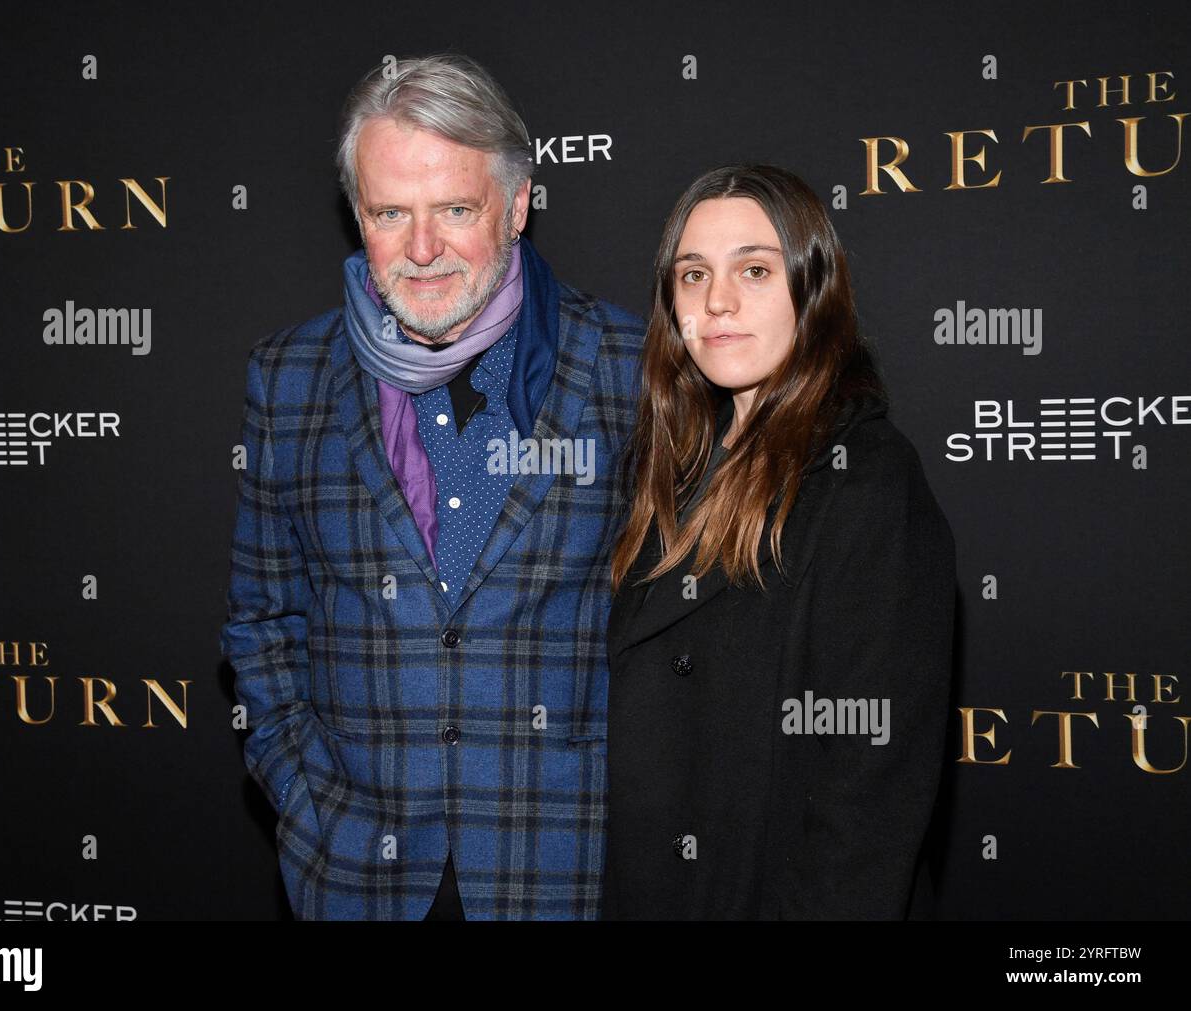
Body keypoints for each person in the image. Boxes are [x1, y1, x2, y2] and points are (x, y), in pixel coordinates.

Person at [219, 53, 643, 920]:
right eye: (389, 213)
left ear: (517, 204)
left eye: (455, 209)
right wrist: (309, 807)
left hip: (566, 876)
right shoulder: (290, 375)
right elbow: (262, 620)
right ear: (358, 216)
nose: (421, 249)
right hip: (358, 881)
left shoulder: (629, 370)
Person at [601, 164, 957, 920]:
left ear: (813, 287)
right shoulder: (668, 466)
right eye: (692, 274)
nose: (717, 300)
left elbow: (868, 790)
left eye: (754, 270)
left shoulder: (867, 479)